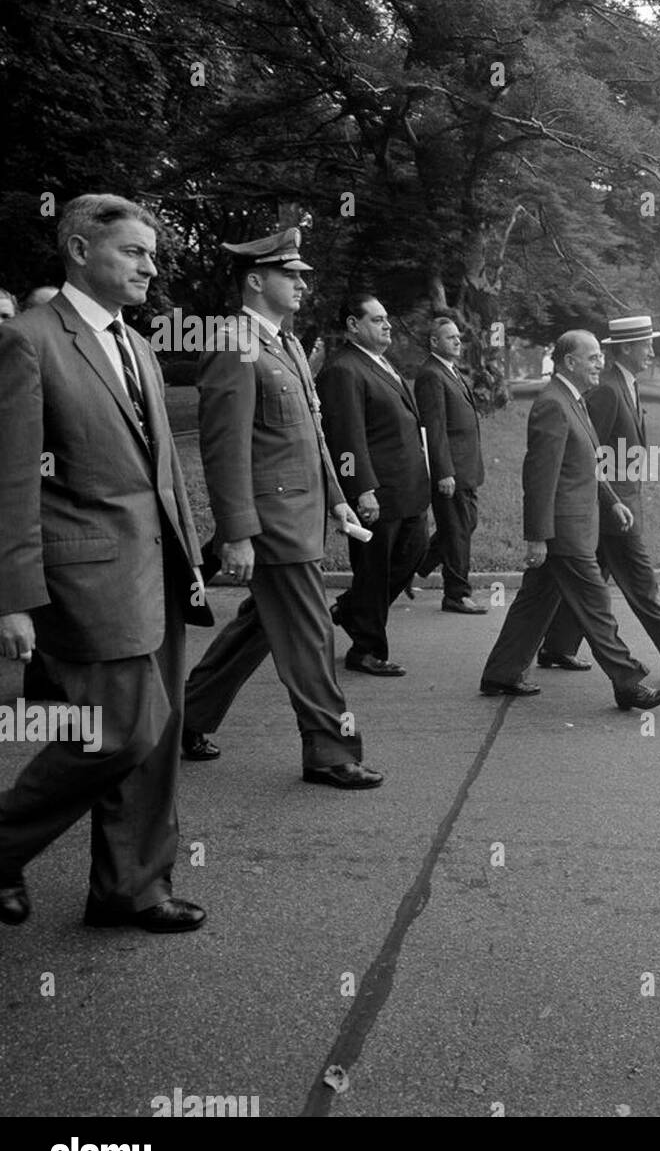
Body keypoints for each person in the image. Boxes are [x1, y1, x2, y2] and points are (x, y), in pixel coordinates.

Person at [0, 193, 210, 932]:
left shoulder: (139, 345)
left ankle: (131, 889)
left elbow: (164, 475)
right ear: (81, 251)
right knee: (121, 731)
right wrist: (12, 597)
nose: (151, 266)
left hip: (157, 572)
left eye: (153, 254)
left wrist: (192, 558)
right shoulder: (29, 340)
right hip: (86, 577)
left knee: (152, 738)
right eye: (134, 251)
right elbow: (12, 478)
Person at [180, 228, 383, 789]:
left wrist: (338, 502)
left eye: (300, 275)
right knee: (311, 631)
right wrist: (237, 532)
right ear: (255, 280)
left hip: (302, 514)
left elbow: (310, 436)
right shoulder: (235, 341)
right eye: (289, 274)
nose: (300, 284)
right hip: (272, 523)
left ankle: (186, 719)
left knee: (261, 629)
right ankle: (329, 752)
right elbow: (224, 447)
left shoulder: (285, 343)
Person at [479, 330, 660, 712]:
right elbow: (539, 475)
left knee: (534, 602)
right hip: (564, 530)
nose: (601, 362)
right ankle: (628, 683)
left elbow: (586, 465)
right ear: (570, 362)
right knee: (596, 604)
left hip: (575, 524)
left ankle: (501, 673)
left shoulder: (573, 400)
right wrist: (537, 537)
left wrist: (612, 501)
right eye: (594, 357)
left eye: (600, 356)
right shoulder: (552, 403)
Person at [541, 315, 660, 682]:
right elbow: (591, 454)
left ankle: (556, 647)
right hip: (612, 511)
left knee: (577, 583)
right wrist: (611, 503)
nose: (652, 351)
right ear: (626, 348)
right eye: (646, 345)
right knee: (642, 583)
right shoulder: (607, 390)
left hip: (617, 507)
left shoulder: (625, 384)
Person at [317, 292, 431, 676]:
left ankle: (350, 610)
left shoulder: (380, 363)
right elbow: (346, 437)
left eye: (387, 319)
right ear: (353, 324)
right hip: (377, 492)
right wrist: (360, 489)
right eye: (378, 319)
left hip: (407, 490)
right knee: (374, 570)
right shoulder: (343, 370)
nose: (387, 326)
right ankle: (365, 649)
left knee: (412, 555)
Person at [413, 312, 487, 614]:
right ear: (434, 341)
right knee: (456, 532)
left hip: (466, 468)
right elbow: (434, 427)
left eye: (458, 337)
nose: (457, 341)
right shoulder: (431, 374)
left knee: (464, 524)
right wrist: (443, 471)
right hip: (451, 471)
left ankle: (414, 565)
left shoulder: (451, 371)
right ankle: (456, 594)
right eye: (450, 337)